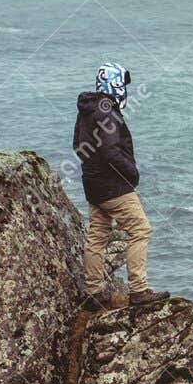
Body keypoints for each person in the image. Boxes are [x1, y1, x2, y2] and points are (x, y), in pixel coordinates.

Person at [73, 61, 167, 309]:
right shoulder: (107, 110)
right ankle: (139, 290)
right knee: (141, 230)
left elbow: (78, 146)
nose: (125, 89)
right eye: (122, 83)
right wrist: (132, 173)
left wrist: (92, 171)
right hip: (114, 186)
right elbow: (110, 151)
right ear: (113, 84)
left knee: (97, 236)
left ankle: (93, 292)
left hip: (93, 185)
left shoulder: (88, 109)